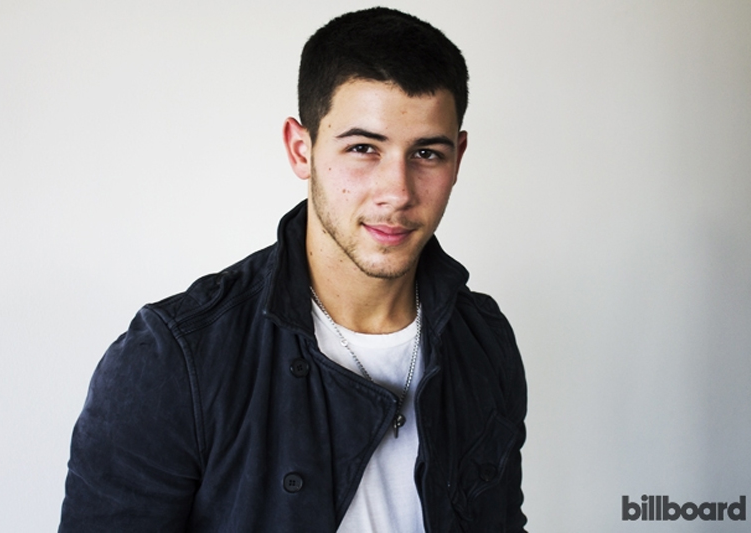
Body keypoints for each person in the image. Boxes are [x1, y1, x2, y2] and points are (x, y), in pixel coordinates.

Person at [59, 7, 528, 532]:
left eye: (426, 153)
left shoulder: (482, 339)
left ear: (458, 157)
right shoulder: (176, 357)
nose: (397, 192)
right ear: (300, 149)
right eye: (363, 148)